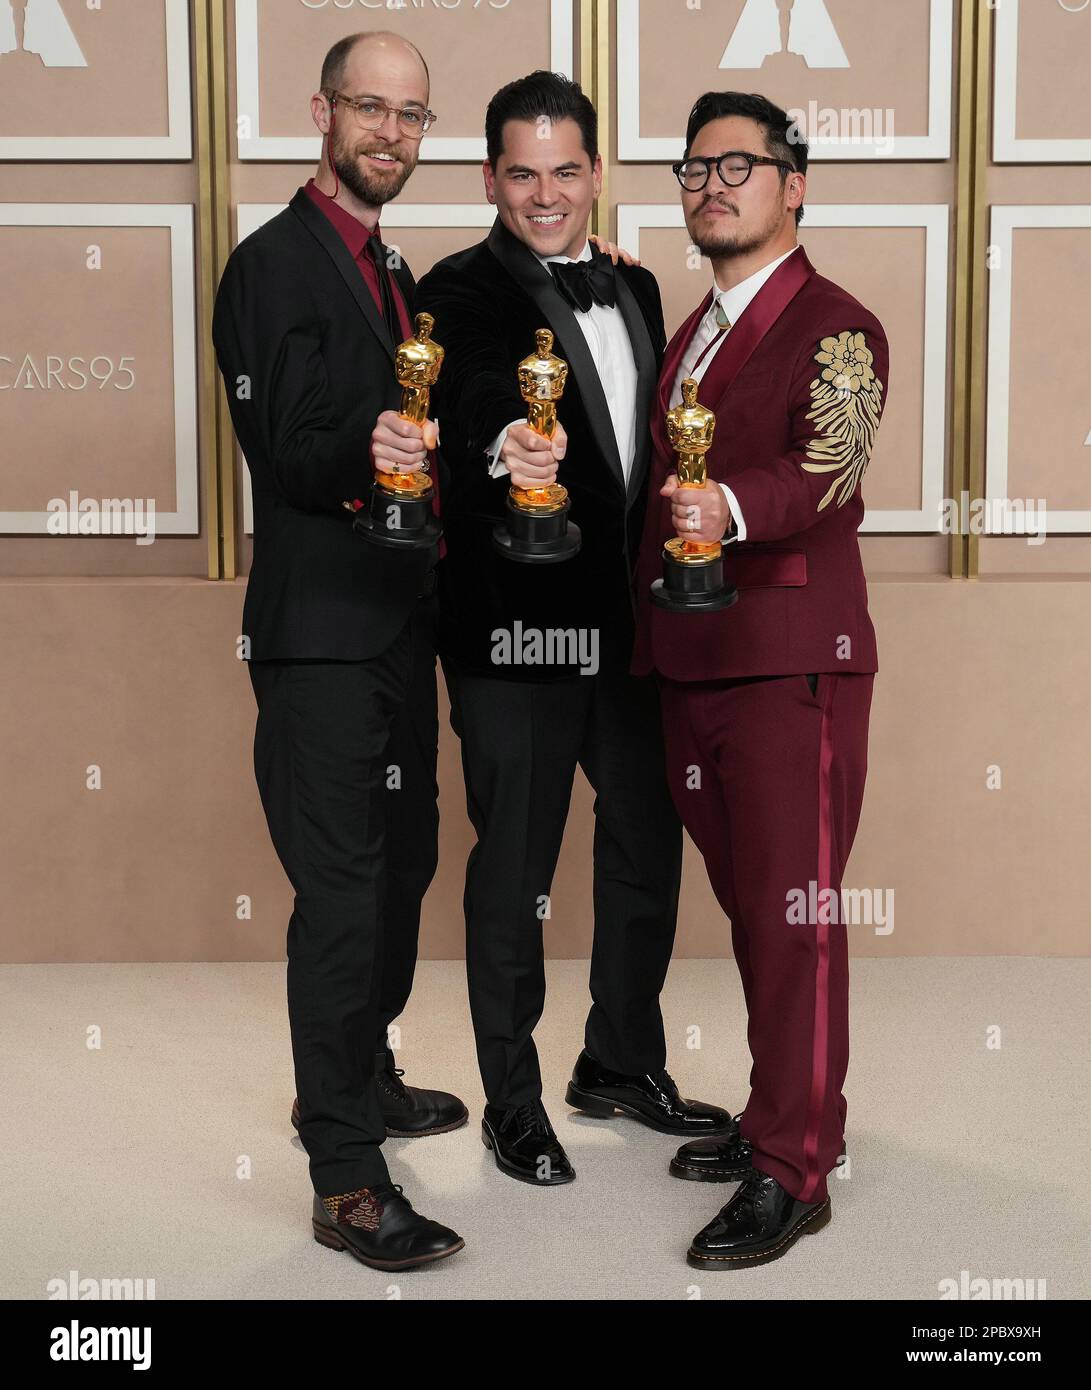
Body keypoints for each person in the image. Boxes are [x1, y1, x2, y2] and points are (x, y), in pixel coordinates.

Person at [416, 71, 732, 1188]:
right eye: (519, 173)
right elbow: (447, 426)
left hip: (631, 626)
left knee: (646, 838)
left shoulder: (636, 290)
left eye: (563, 171)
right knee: (516, 860)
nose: (544, 195)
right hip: (513, 630)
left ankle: (617, 1061)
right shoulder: (451, 293)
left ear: (595, 173)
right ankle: (511, 1098)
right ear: (490, 178)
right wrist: (509, 445)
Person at [212, 30, 465, 1272]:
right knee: (343, 891)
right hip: (317, 638)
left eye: (412, 118)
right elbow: (290, 453)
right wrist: (372, 448)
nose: (391, 135)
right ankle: (344, 1179)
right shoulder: (274, 266)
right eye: (371, 109)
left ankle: (362, 1071)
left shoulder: (389, 269)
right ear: (321, 111)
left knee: (405, 857)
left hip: (396, 626)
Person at [632, 91, 889, 1267]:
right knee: (752, 912)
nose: (712, 183)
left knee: (797, 922)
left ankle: (797, 1166)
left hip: (791, 664)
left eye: (740, 163)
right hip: (689, 661)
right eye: (693, 168)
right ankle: (773, 1111)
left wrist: (726, 506)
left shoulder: (838, 324)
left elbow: (827, 469)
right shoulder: (690, 331)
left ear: (796, 185)